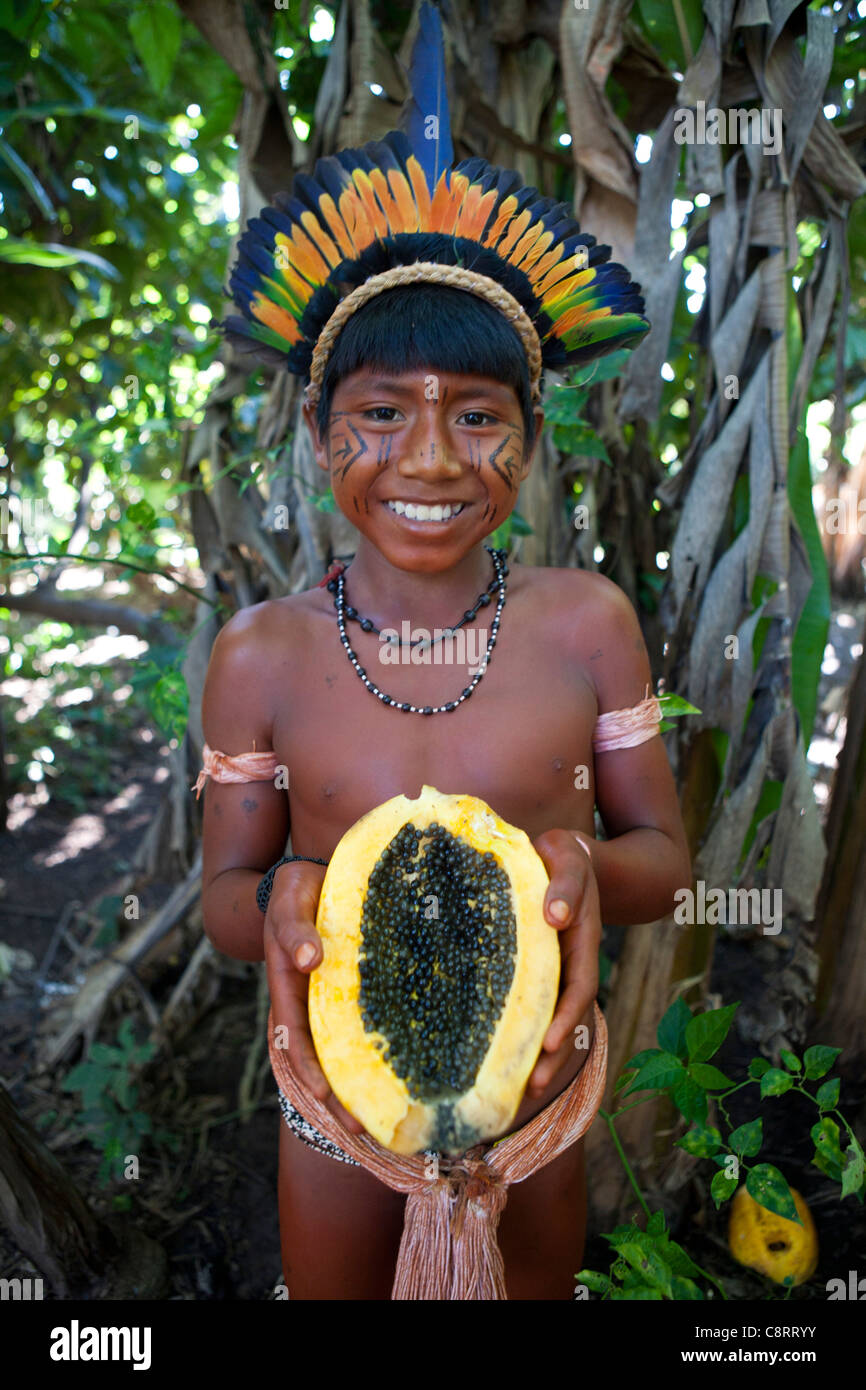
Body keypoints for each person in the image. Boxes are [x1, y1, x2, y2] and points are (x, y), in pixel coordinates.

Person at [195, 109, 691, 1299]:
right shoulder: (259, 656)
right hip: (335, 1101)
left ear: (527, 442)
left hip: (534, 1095)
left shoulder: (587, 626)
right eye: (380, 414)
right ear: (319, 437)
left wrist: (579, 864)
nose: (428, 460)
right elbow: (222, 900)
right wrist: (278, 896)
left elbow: (665, 862)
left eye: (476, 416)